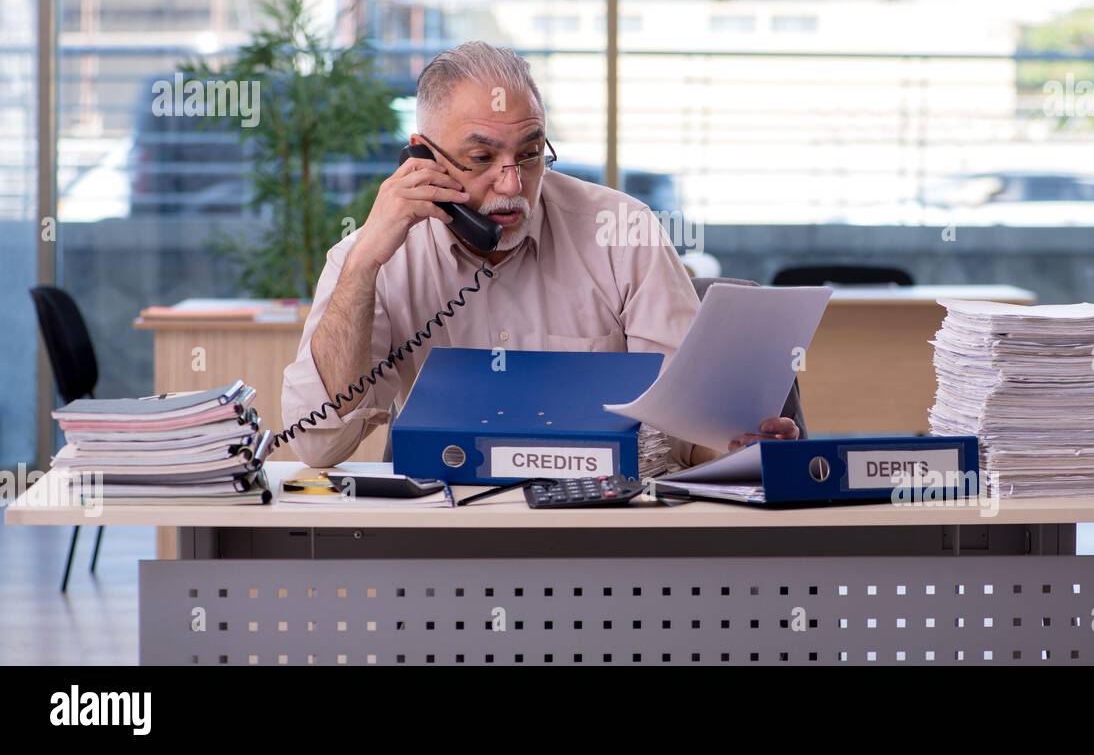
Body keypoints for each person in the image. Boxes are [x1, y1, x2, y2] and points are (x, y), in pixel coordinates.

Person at [281, 41, 800, 469]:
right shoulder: (374, 255)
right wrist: (366, 263)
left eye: (529, 154)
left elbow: (688, 431)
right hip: (445, 532)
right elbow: (318, 444)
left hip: (608, 531)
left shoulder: (622, 231)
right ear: (422, 155)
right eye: (481, 158)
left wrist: (738, 450)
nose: (511, 184)